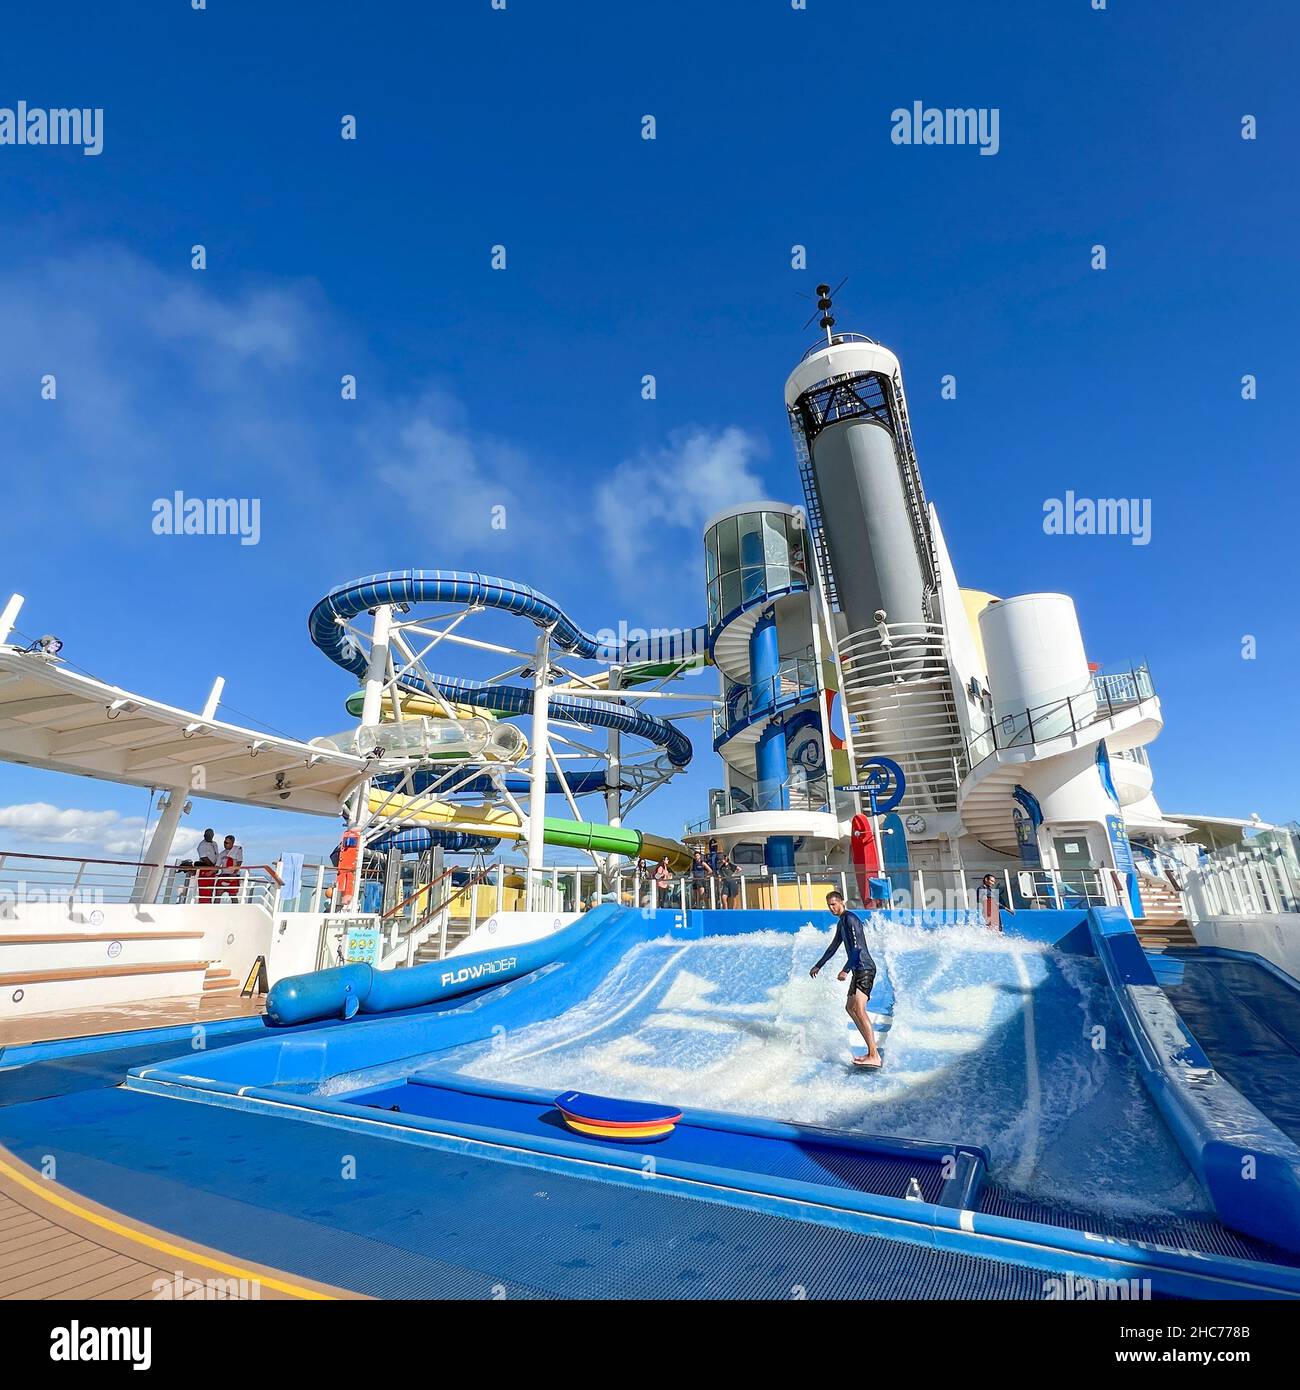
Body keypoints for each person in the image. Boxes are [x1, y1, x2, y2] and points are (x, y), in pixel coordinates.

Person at [810, 890, 882, 1069]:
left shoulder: (850, 919)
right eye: (829, 906)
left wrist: (845, 970)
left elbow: (857, 949)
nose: (831, 908)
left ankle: (874, 1055)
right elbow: (833, 947)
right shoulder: (841, 923)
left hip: (864, 968)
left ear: (842, 902)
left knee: (859, 1008)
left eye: (834, 904)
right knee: (850, 1008)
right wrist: (819, 965)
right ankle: (870, 1051)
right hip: (858, 969)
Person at [216, 834, 244, 902]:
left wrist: (234, 873)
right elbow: (217, 866)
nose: (225, 844)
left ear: (232, 843)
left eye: (227, 843)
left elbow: (239, 862)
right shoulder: (221, 854)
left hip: (233, 875)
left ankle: (235, 910)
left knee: (232, 894)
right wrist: (211, 872)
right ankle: (215, 909)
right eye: (224, 842)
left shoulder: (237, 850)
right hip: (224, 875)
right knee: (218, 893)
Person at [194, 828, 219, 904]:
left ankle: (208, 904)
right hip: (205, 869)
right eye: (207, 835)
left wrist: (216, 867)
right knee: (204, 890)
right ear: (204, 835)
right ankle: (203, 905)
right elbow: (203, 857)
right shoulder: (202, 845)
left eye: (210, 835)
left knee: (210, 889)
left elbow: (217, 855)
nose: (209, 836)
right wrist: (213, 867)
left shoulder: (214, 844)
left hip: (213, 869)